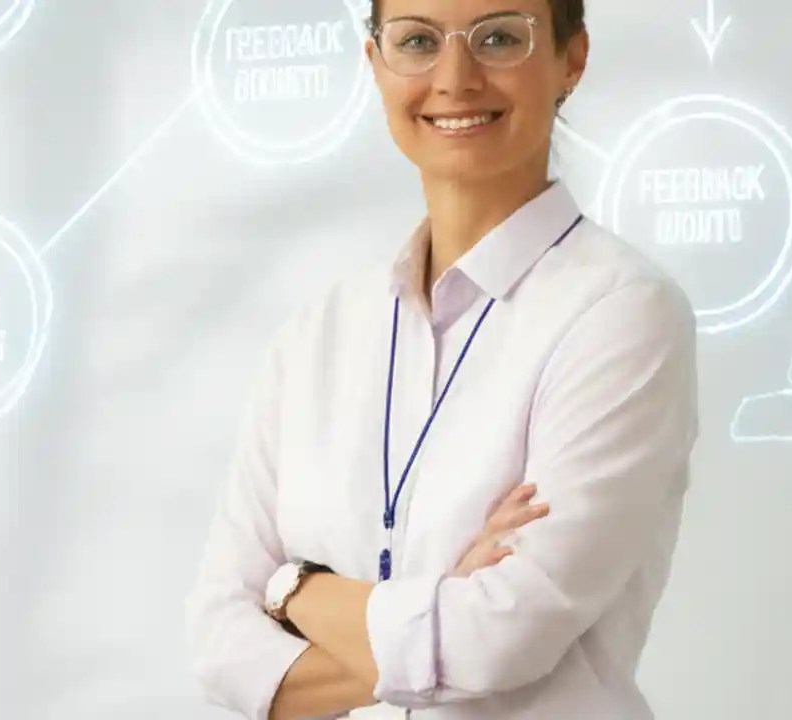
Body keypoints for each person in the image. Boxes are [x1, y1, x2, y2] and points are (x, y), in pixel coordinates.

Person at [185, 1, 699, 718]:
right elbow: (217, 647)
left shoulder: (619, 312)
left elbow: (495, 639)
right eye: (418, 41)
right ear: (376, 66)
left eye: (497, 37)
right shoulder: (318, 335)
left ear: (570, 60)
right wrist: (437, 608)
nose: (454, 78)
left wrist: (293, 589)